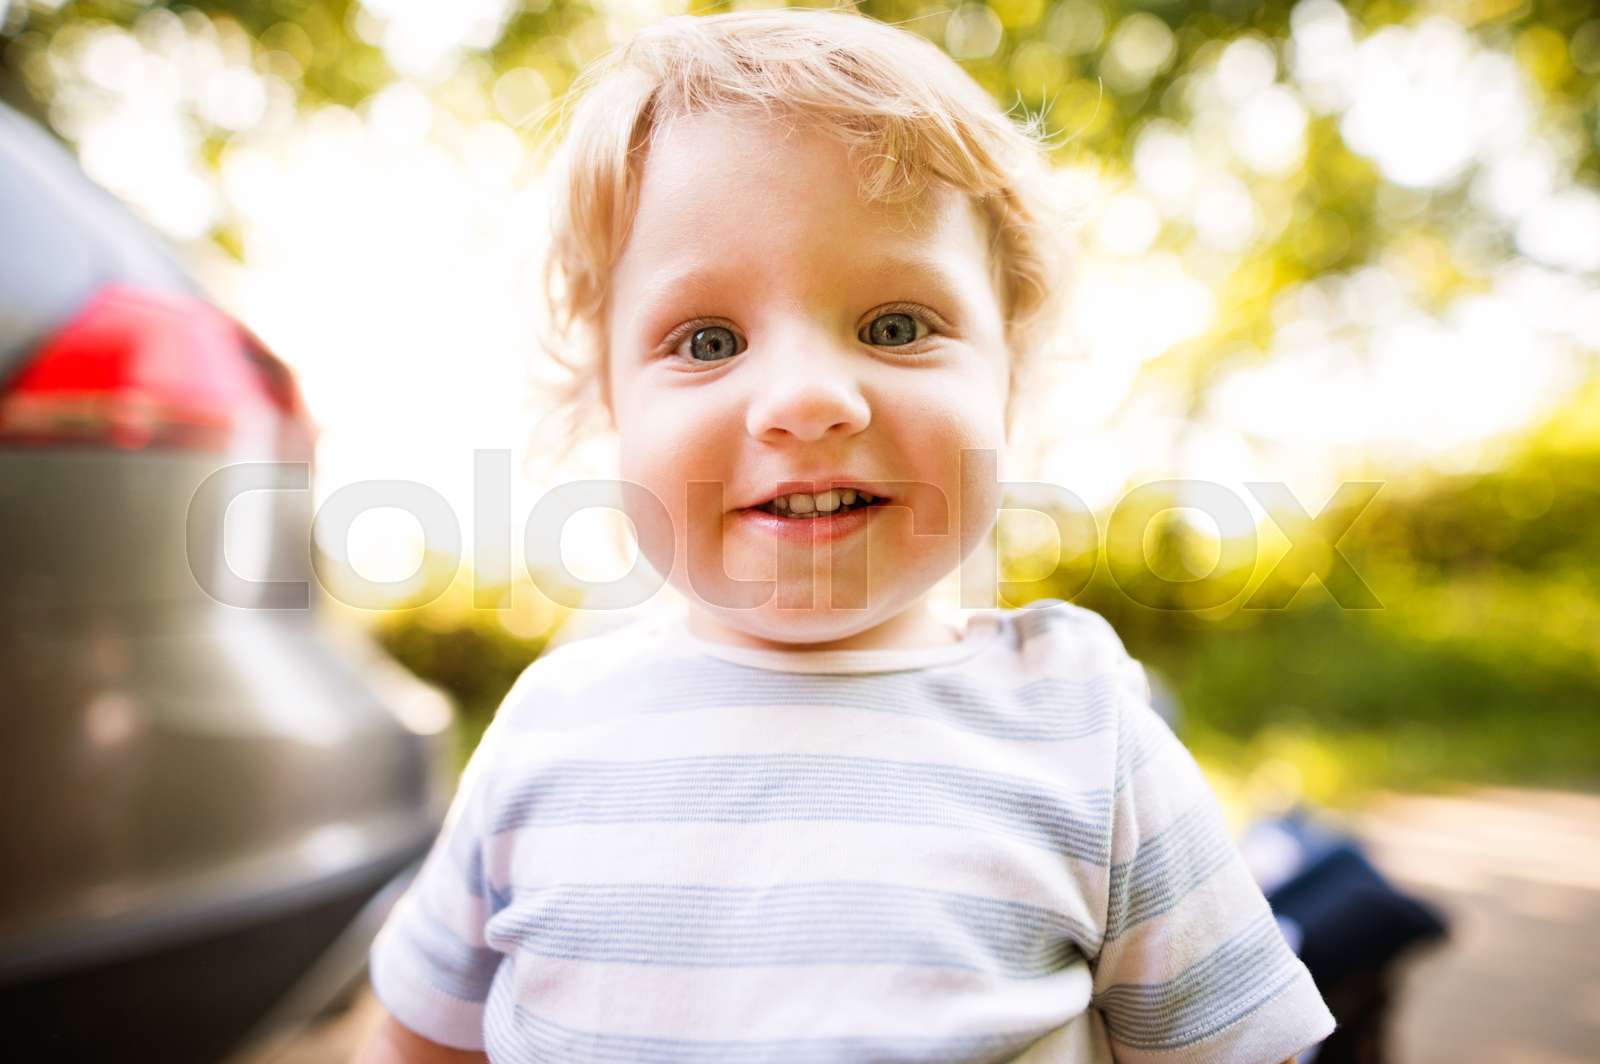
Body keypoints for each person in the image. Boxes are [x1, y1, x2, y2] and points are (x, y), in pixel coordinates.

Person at [355, 9, 1337, 1062]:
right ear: (608, 402)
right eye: (708, 339)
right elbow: (420, 1038)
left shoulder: (1082, 729)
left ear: (1008, 377)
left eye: (895, 325)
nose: (808, 398)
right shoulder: (550, 731)